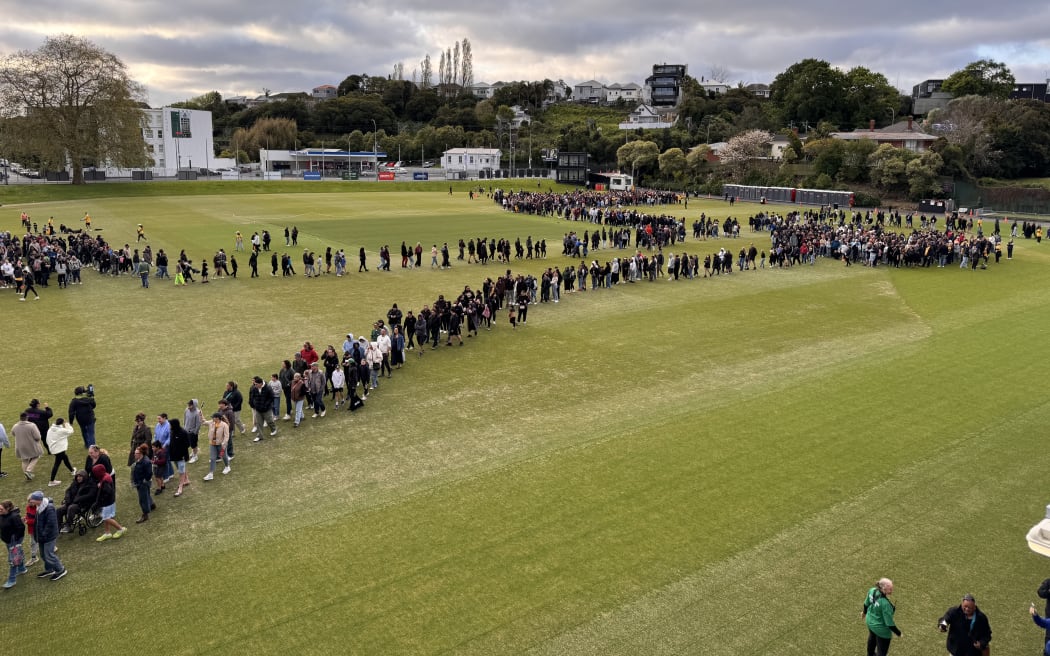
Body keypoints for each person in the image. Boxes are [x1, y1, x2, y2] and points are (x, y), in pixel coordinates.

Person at [27, 490, 66, 579]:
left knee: (49, 554)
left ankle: (60, 570)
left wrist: (44, 534)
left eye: (33, 499)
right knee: (43, 555)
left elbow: (51, 523)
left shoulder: (49, 508)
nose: (31, 501)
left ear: (38, 500)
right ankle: (49, 569)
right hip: (42, 536)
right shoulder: (38, 506)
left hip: (49, 536)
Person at [863, 578, 901, 656]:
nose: (892, 590)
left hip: (870, 621)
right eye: (890, 589)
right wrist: (898, 633)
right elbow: (889, 623)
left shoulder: (872, 590)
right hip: (881, 629)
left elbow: (866, 603)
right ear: (883, 589)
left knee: (872, 638)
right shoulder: (885, 604)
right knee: (882, 651)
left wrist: (864, 613)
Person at [92, 463, 125, 542]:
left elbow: (108, 491)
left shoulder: (105, 480)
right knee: (106, 517)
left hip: (107, 503)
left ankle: (120, 529)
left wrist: (101, 498)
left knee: (106, 518)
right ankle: (107, 533)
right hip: (109, 502)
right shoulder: (105, 476)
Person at [0, 499, 28, 588]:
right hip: (8, 540)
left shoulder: (14, 516)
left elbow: (21, 528)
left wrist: (15, 540)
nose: (0, 510)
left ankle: (12, 580)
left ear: (8, 508)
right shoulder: (2, 515)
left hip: (14, 541)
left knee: (13, 559)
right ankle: (22, 568)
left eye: (1, 509)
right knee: (16, 555)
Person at [12, 412, 43, 481]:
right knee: (36, 456)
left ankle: (27, 476)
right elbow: (37, 437)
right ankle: (28, 471)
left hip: (20, 446)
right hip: (31, 445)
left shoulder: (15, 426)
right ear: (27, 418)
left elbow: (13, 433)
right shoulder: (32, 425)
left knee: (24, 460)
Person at [45, 418, 75, 488]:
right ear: (62, 423)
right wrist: (67, 424)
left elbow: (47, 439)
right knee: (57, 464)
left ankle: (72, 470)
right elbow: (71, 431)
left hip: (54, 449)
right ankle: (51, 481)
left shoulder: (50, 429)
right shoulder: (61, 430)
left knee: (65, 458)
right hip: (59, 449)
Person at [249, 375, 278, 441]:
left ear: (261, 383)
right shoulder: (254, 388)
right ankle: (260, 436)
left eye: (256, 384)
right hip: (258, 409)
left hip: (267, 409)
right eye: (254, 384)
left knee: (269, 421)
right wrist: (253, 404)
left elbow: (271, 397)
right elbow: (252, 397)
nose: (255, 385)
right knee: (259, 423)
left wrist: (266, 405)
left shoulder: (268, 388)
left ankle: (274, 429)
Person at [204, 412, 231, 480]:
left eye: (213, 417)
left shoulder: (224, 425)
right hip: (212, 444)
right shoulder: (212, 422)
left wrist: (224, 443)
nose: (212, 418)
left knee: (223, 456)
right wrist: (200, 416)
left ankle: (227, 466)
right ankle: (211, 474)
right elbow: (204, 422)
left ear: (217, 418)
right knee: (212, 458)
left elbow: (226, 436)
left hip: (221, 445)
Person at [167, 419, 190, 497]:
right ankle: (186, 480)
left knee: (181, 471)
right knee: (181, 469)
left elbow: (188, 444)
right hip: (174, 456)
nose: (169, 426)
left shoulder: (183, 433)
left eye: (170, 424)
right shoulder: (172, 431)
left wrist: (182, 453)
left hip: (181, 456)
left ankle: (180, 488)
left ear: (174, 425)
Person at [131, 444, 153, 523]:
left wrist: (145, 480)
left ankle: (145, 515)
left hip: (142, 483)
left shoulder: (146, 462)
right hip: (139, 482)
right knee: (146, 495)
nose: (134, 454)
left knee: (142, 499)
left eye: (136, 453)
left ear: (140, 454)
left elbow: (149, 473)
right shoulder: (139, 460)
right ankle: (152, 505)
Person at [184, 399, 203, 464]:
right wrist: (185, 427)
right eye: (188, 405)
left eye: (190, 405)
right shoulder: (186, 410)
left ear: (194, 405)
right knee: (189, 443)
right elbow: (185, 419)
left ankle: (195, 456)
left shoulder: (197, 413)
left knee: (193, 444)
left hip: (193, 432)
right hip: (186, 430)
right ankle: (193, 452)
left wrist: (195, 432)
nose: (188, 407)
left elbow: (198, 424)